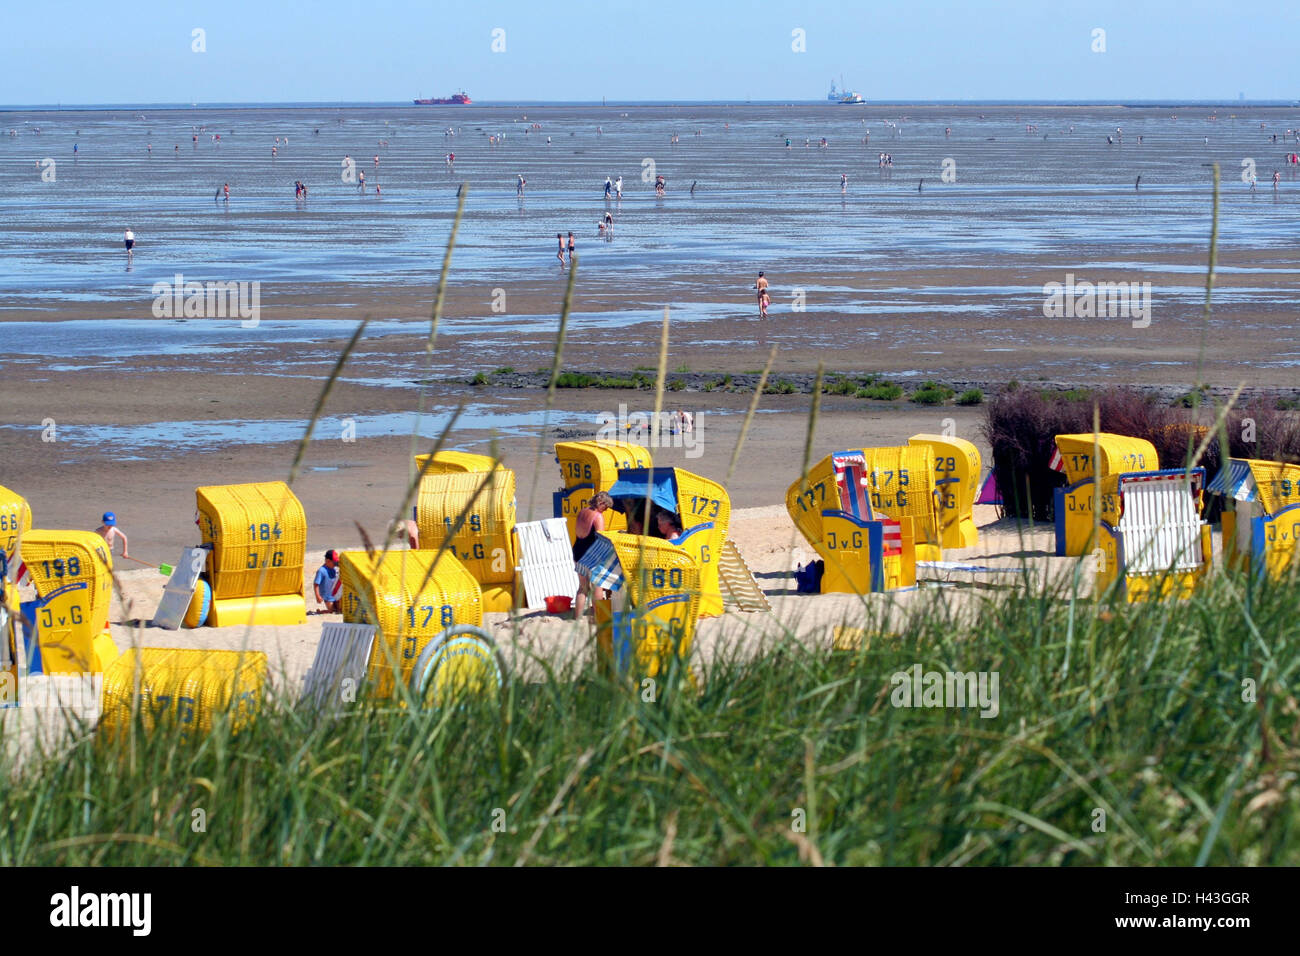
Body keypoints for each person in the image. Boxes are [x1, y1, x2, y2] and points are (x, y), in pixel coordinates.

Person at [572, 492, 613, 616]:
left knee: (583, 588)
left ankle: (577, 617)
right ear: (601, 503)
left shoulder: (582, 512)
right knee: (597, 585)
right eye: (605, 507)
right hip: (592, 554)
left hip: (578, 551)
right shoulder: (597, 516)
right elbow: (602, 537)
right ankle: (599, 615)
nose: (605, 510)